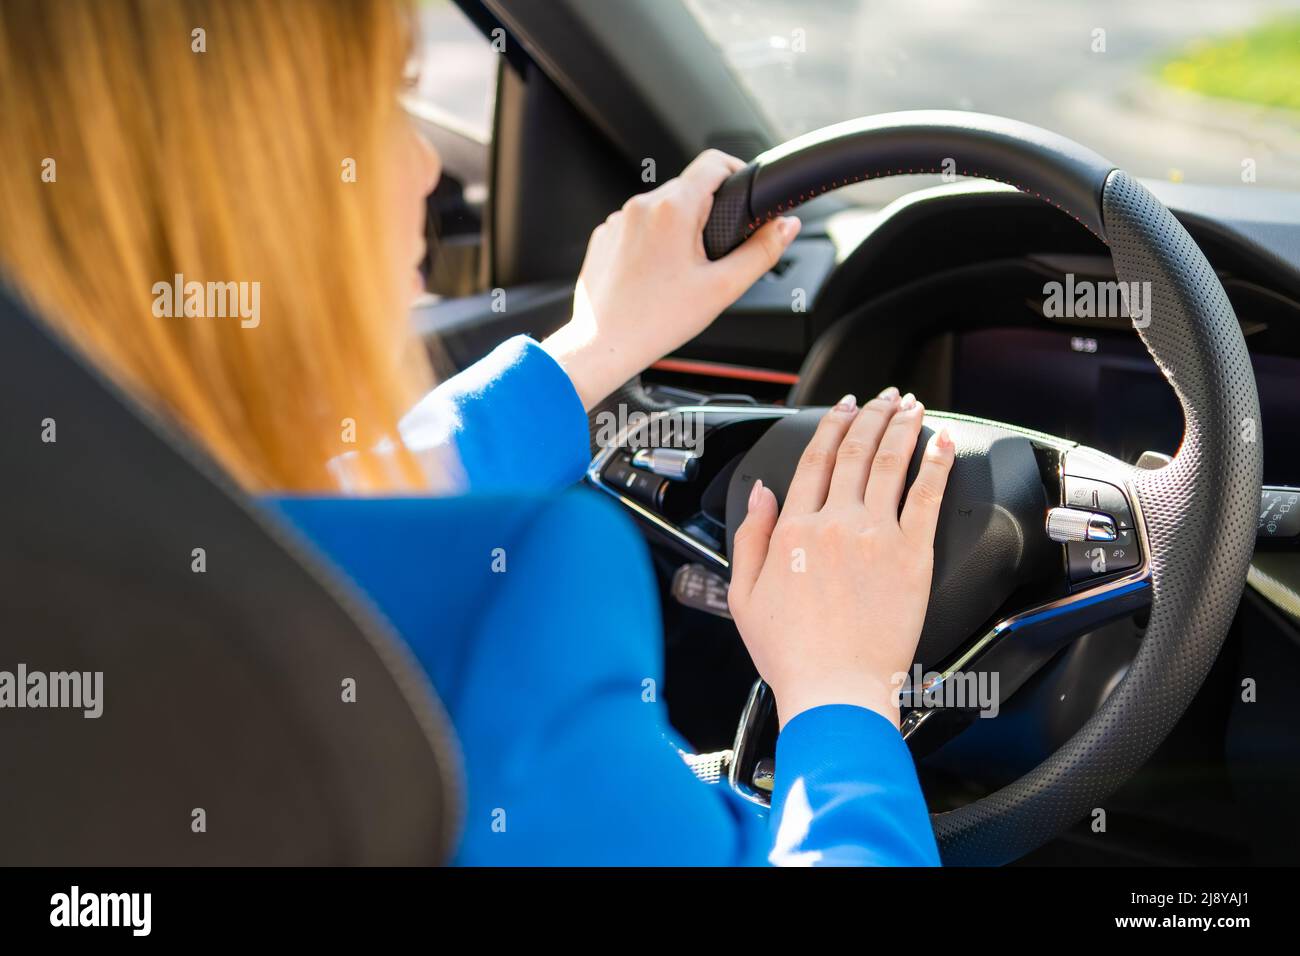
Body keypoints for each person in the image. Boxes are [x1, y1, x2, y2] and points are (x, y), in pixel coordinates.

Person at [0, 0, 954, 865]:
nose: (426, 167)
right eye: (382, 104)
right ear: (244, 187)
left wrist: (588, 348)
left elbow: (317, 514)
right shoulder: (509, 610)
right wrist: (841, 695)